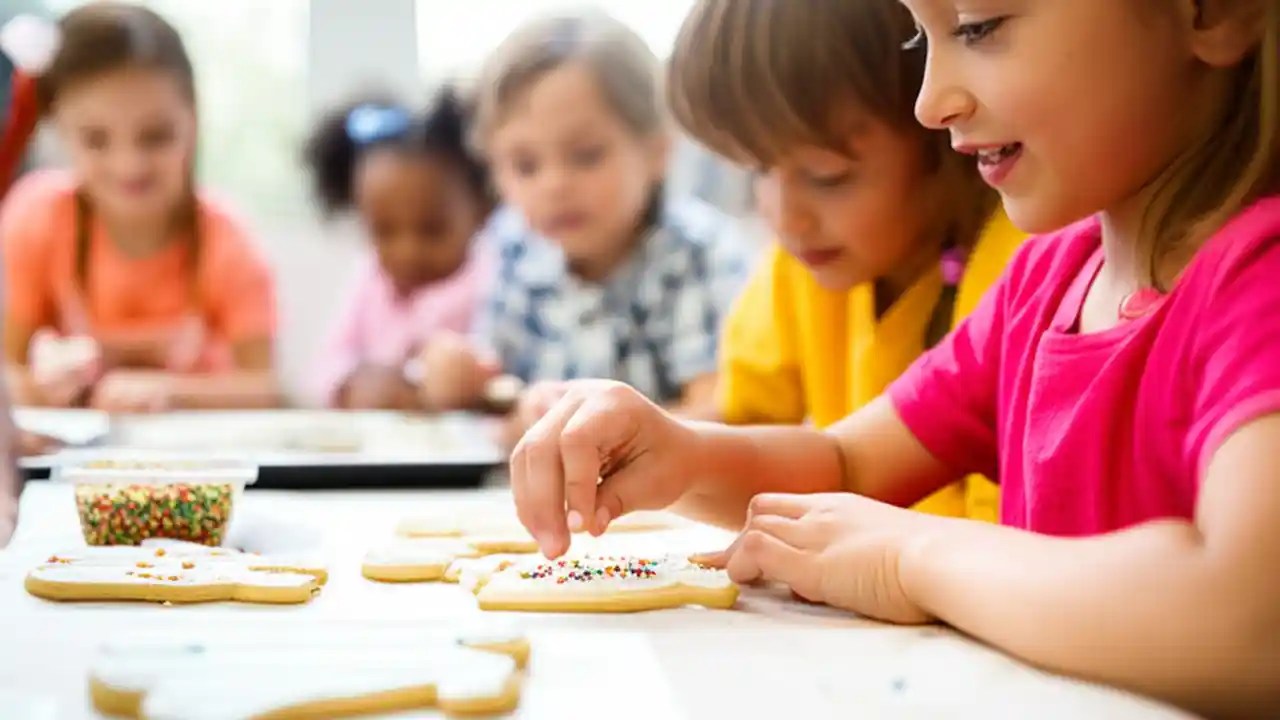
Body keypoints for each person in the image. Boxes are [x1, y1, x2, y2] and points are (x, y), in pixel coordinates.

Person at [510, 1, 1280, 715]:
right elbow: (846, 464)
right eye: (922, 36)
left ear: (1213, 10)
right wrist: (675, 453)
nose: (929, 100)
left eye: (978, 25)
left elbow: (1249, 620)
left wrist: (911, 557)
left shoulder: (1260, 277)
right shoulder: (1046, 284)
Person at [669, 0, 1022, 521]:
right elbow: (739, 427)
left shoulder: (1018, 269)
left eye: (826, 175)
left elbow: (1007, 542)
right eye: (758, 171)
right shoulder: (807, 263)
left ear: (944, 136)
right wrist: (621, 435)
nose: (786, 217)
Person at [417, 9, 748, 444]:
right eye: (525, 165)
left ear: (656, 151)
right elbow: (500, 399)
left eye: (586, 155)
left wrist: (598, 440)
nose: (555, 185)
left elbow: (723, 410)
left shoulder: (700, 254)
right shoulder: (515, 247)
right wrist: (460, 383)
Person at [0, 3, 279, 412]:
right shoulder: (35, 218)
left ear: (194, 121)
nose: (128, 165)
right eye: (96, 139)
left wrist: (171, 392)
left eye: (156, 136)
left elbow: (268, 387)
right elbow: (9, 370)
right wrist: (40, 387)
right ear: (59, 128)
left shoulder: (226, 237)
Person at [305, 89, 493, 409]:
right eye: (383, 231)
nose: (407, 250)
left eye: (432, 230)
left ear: (481, 208)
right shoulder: (370, 279)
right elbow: (320, 371)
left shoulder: (491, 282)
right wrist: (352, 383)